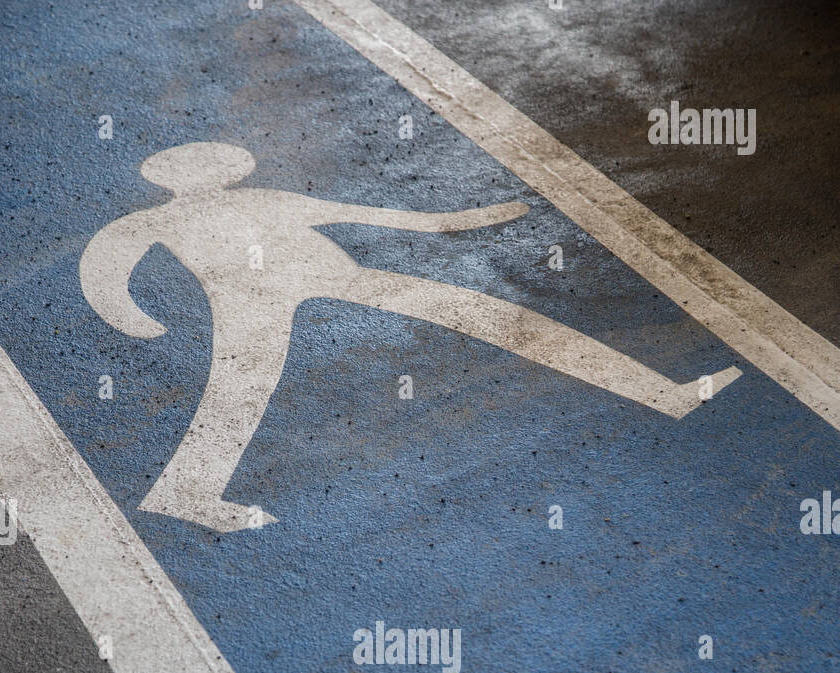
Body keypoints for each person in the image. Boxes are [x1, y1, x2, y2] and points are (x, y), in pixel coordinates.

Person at [80, 141, 741, 532]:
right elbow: (108, 266)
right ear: (182, 179)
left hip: (341, 275)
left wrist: (473, 217)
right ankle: (186, 492)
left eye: (218, 164)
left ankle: (665, 394)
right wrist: (135, 319)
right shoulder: (160, 221)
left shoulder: (267, 201)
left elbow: (395, 218)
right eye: (203, 167)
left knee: (487, 314)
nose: (216, 173)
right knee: (238, 392)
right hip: (252, 300)